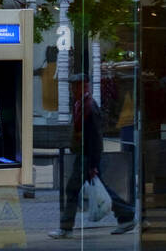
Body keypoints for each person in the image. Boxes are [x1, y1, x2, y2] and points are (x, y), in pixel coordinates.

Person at [49, 73, 135, 238]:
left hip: (87, 157)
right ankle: (127, 217)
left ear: (84, 86)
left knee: (73, 189)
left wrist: (93, 164)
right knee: (100, 188)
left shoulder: (89, 106)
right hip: (84, 155)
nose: (73, 88)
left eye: (77, 85)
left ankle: (66, 228)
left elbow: (95, 138)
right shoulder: (82, 104)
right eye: (73, 86)